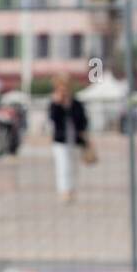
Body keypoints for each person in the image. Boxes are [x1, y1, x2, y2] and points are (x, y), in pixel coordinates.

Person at [49, 74, 88, 203]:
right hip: (60, 140)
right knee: (63, 165)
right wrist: (58, 103)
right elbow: (53, 119)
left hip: (75, 139)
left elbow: (83, 120)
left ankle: (72, 189)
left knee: (74, 167)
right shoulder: (54, 103)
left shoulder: (76, 103)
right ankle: (64, 191)